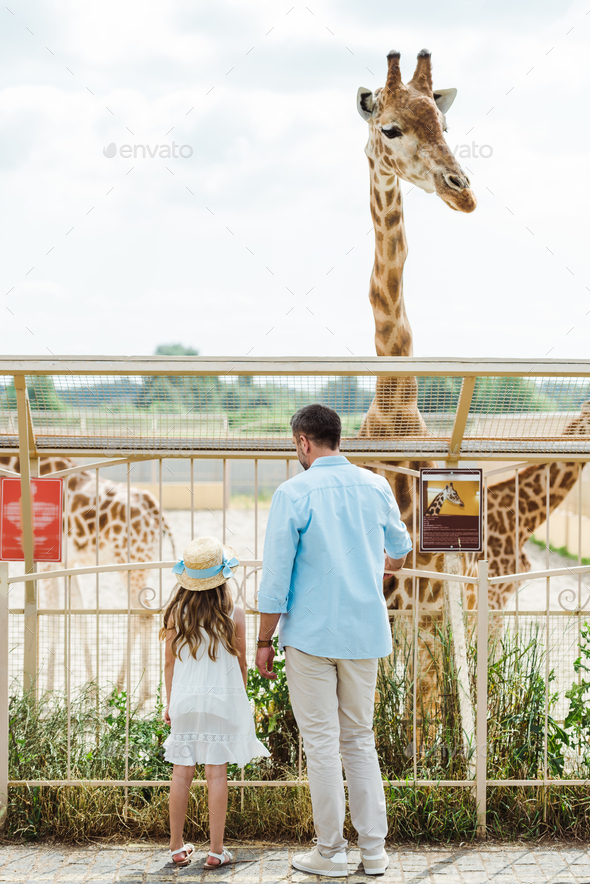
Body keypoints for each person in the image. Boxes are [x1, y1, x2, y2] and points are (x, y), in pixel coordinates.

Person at [255, 404, 412, 878]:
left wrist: (264, 639)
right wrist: (381, 564)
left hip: (310, 637)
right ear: (336, 438)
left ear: (303, 442)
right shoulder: (375, 485)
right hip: (365, 634)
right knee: (359, 740)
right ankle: (374, 852)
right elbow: (401, 550)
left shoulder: (293, 492)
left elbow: (276, 576)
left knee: (322, 745)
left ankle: (330, 852)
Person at [161, 536, 270, 868]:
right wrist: (242, 699)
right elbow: (240, 663)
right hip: (222, 701)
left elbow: (168, 663)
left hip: (185, 700)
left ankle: (177, 847)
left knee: (181, 773)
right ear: (223, 579)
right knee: (216, 774)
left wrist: (169, 702)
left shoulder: (177, 613)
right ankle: (215, 850)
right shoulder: (233, 613)